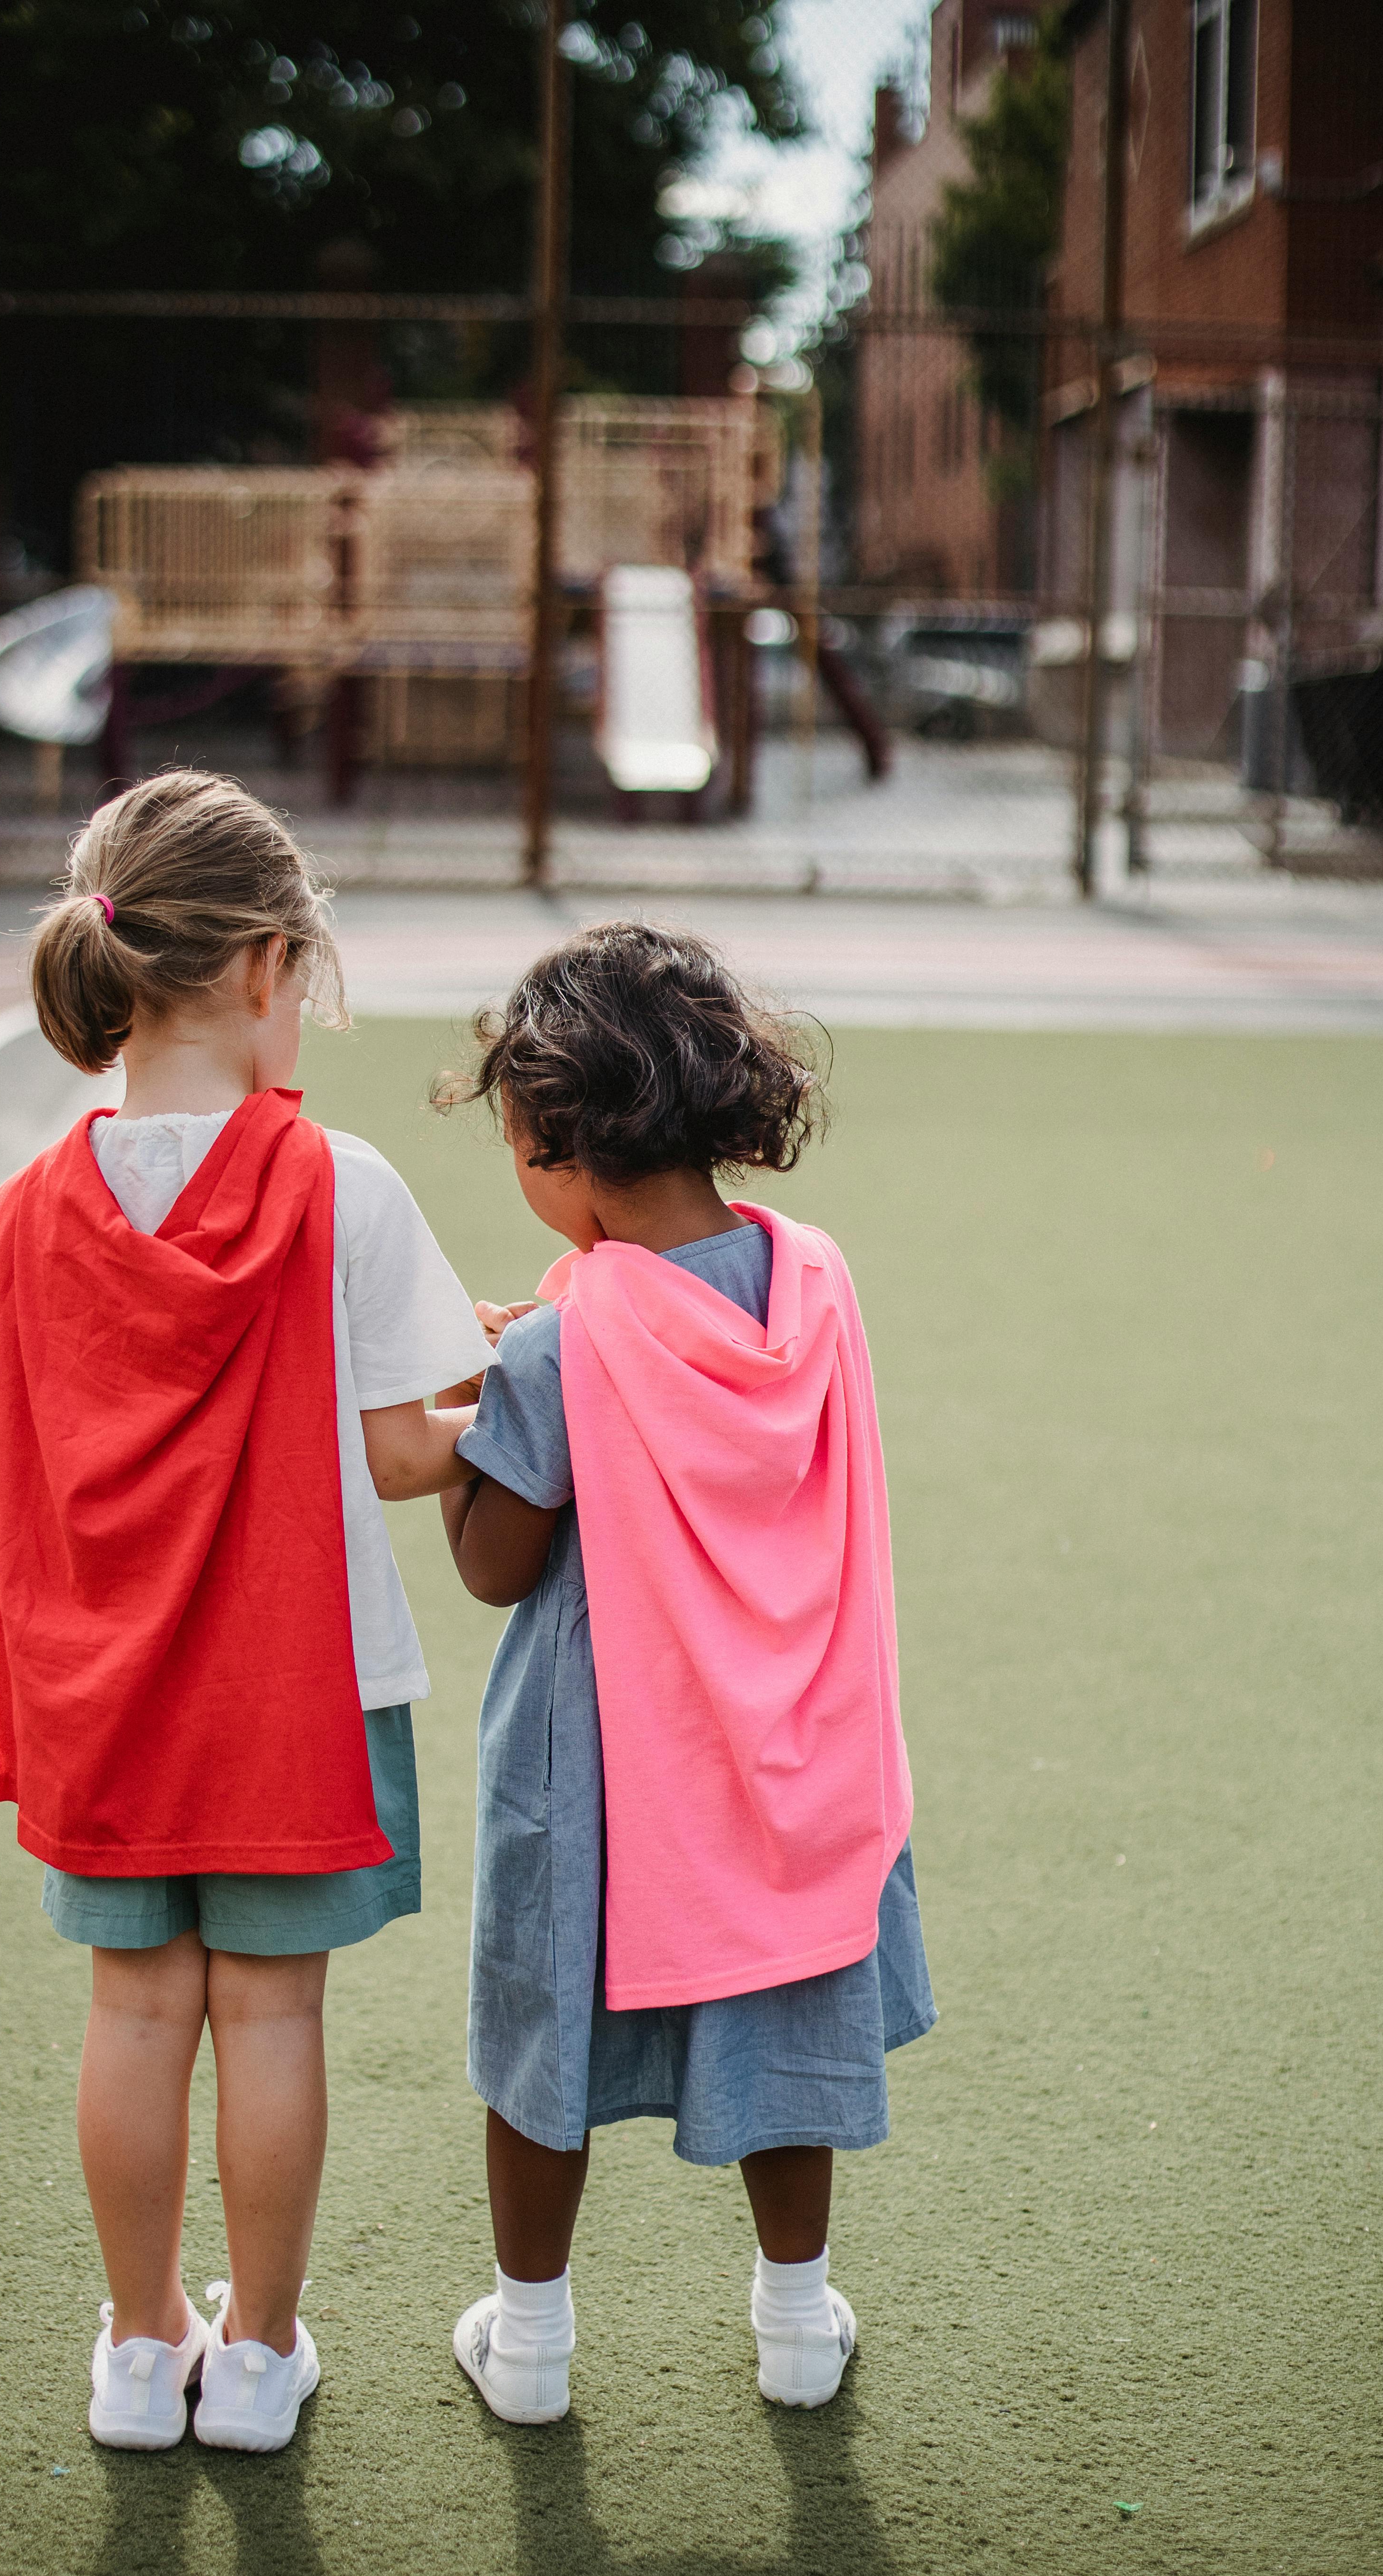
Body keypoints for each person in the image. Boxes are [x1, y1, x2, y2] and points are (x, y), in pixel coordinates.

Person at [0, 767, 491, 2455]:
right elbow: (394, 1453)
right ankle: (266, 2353)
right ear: (270, 970)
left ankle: (146, 2351)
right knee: (273, 2016)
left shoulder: (19, 1217)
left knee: (135, 2013)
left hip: (112, 1693)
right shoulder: (341, 1183)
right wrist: (500, 1392)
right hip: (303, 1694)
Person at [432, 923, 936, 2425]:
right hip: (795, 1728)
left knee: (544, 2027)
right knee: (786, 1994)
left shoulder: (564, 1343)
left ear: (556, 1136)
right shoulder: (819, 1280)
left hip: (598, 1743)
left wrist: (472, 1419)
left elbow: (495, 1563)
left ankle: (529, 2346)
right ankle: (795, 2322)